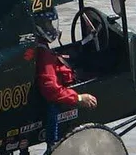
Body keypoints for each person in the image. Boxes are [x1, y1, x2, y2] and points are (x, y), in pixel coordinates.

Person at [29, 8, 96, 142]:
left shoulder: (37, 46)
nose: (51, 27)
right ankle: (52, 143)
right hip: (53, 101)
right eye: (48, 24)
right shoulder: (43, 54)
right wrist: (79, 98)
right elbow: (51, 89)